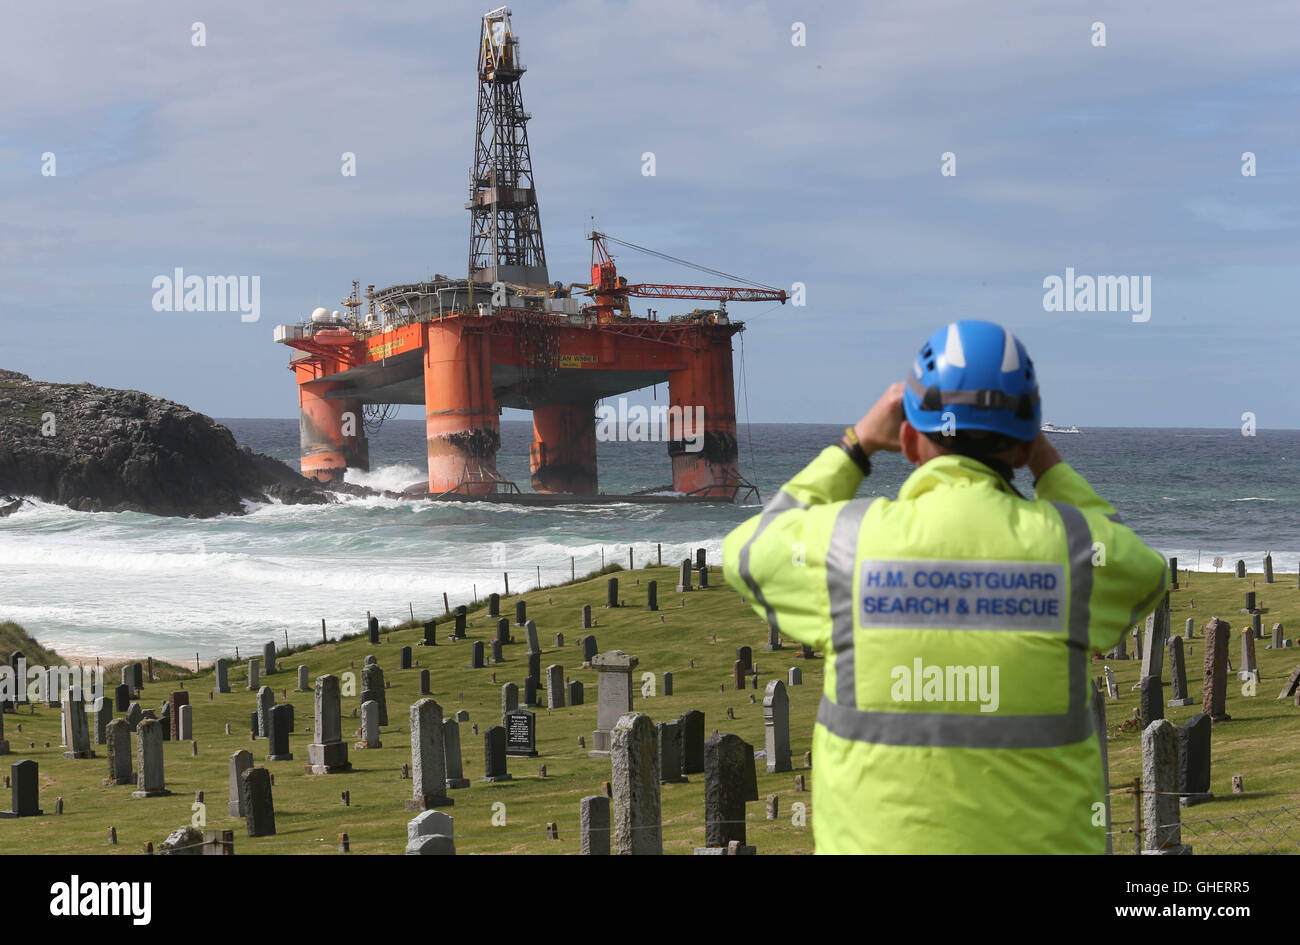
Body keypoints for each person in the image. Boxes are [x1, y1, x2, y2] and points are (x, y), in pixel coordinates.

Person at [722, 319, 1167, 853]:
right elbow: (1144, 571)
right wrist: (1049, 465)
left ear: (908, 437)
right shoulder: (1071, 548)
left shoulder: (849, 545)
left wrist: (856, 445)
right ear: (1025, 447)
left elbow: (748, 552)